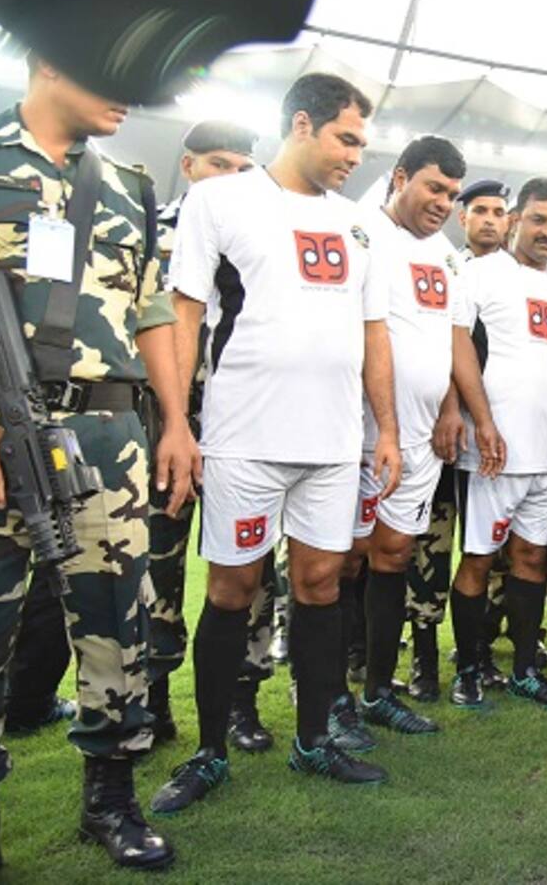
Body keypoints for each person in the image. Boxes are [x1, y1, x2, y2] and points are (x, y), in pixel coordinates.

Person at [0, 53, 196, 873]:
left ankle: (111, 799)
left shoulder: (130, 182)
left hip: (107, 435)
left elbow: (151, 308)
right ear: (52, 59)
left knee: (115, 622)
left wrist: (175, 424)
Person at [151, 73, 400, 813]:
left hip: (331, 443)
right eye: (346, 138)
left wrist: (385, 429)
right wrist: (177, 421)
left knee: (321, 585)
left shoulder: (361, 225)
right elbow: (185, 314)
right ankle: (209, 753)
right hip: (244, 436)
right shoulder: (220, 200)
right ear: (302, 124)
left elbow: (374, 330)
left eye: (362, 142)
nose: (356, 155)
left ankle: (313, 738)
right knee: (233, 590)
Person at [142, 119, 272, 754]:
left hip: (243, 415)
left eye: (244, 168)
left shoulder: (262, 229)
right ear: (187, 165)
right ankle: (153, 699)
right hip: (166, 413)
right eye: (219, 164)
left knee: (250, 564)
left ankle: (241, 702)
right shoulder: (148, 229)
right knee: (158, 562)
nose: (232, 179)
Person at [349, 136, 467, 736]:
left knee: (394, 554)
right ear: (400, 178)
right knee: (340, 559)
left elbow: (449, 336)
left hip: (419, 437)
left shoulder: (447, 257)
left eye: (451, 193)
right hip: (358, 433)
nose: (443, 202)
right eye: (433, 187)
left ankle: (376, 689)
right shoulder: (361, 232)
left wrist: (451, 407)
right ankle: (326, 694)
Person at [445, 176, 547, 711]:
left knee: (531, 557)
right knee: (478, 558)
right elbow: (457, 348)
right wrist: (482, 421)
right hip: (494, 448)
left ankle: (524, 667)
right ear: (516, 218)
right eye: (539, 220)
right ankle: (470, 669)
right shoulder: (478, 273)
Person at [458, 178, 511, 260]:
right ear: (463, 218)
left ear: (507, 222)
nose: (489, 220)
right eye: (480, 211)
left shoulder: (517, 270)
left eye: (499, 214)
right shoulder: (443, 266)